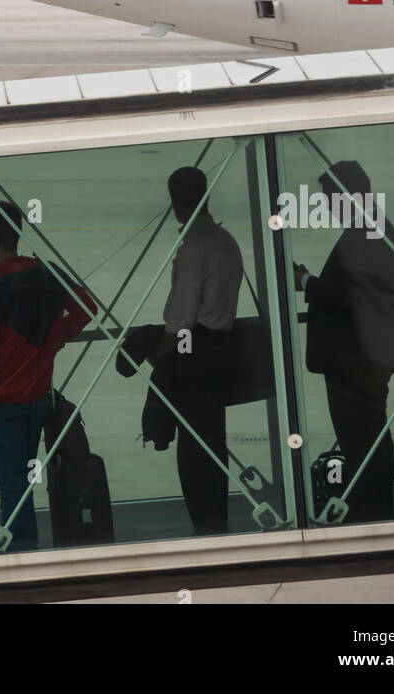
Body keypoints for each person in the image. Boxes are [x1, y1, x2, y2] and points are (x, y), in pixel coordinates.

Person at [0, 202, 93, 551]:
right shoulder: (46, 272)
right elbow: (87, 308)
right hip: (37, 398)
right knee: (21, 482)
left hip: (0, 405)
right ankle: (25, 550)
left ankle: (21, 556)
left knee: (12, 486)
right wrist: (55, 337)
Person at [293, 161, 394, 524]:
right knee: (365, 440)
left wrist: (306, 280)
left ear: (347, 195)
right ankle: (375, 509)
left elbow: (352, 299)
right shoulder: (371, 228)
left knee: (364, 441)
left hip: (355, 360)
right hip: (360, 358)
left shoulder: (367, 231)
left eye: (330, 198)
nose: (328, 206)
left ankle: (374, 513)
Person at [148, 166, 243, 536]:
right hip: (221, 351)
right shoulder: (224, 240)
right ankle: (216, 521)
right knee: (213, 444)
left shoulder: (194, 247)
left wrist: (158, 355)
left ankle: (204, 527)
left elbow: (181, 322)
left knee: (193, 450)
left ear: (174, 203)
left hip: (196, 354)